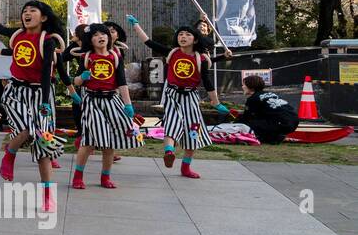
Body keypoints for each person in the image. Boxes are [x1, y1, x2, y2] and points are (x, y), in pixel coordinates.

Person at [0, 1, 67, 212]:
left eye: (32, 11)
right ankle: (9, 154)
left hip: (40, 93)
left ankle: (48, 195)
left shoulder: (47, 41)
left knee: (42, 144)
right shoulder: (18, 34)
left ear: (44, 17)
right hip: (16, 91)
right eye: (24, 11)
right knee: (26, 129)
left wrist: (45, 101)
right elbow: (0, 29)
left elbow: (47, 71)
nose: (26, 14)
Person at [130, 17, 228, 179]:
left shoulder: (201, 59)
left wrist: (216, 103)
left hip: (190, 96)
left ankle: (185, 167)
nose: (183, 37)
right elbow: (148, 42)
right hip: (172, 95)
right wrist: (136, 25)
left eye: (187, 35)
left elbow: (208, 82)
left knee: (193, 130)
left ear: (195, 39)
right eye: (180, 34)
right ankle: (169, 151)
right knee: (172, 122)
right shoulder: (172, 53)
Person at [68, 23, 139, 189]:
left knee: (110, 143)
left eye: (103, 34)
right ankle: (78, 176)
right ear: (90, 40)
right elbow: (76, 81)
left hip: (112, 101)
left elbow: (122, 82)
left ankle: (105, 177)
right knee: (88, 142)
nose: (100, 37)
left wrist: (128, 105)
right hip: (92, 102)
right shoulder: (87, 57)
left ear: (108, 37)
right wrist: (82, 77)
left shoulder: (115, 56)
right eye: (95, 35)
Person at [236, 75, 298, 144]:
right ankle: (275, 136)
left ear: (251, 86)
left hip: (281, 123)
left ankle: (273, 138)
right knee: (261, 120)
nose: (242, 87)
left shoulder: (253, 99)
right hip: (294, 120)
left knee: (248, 124)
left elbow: (246, 117)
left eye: (244, 85)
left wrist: (234, 121)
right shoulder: (271, 94)